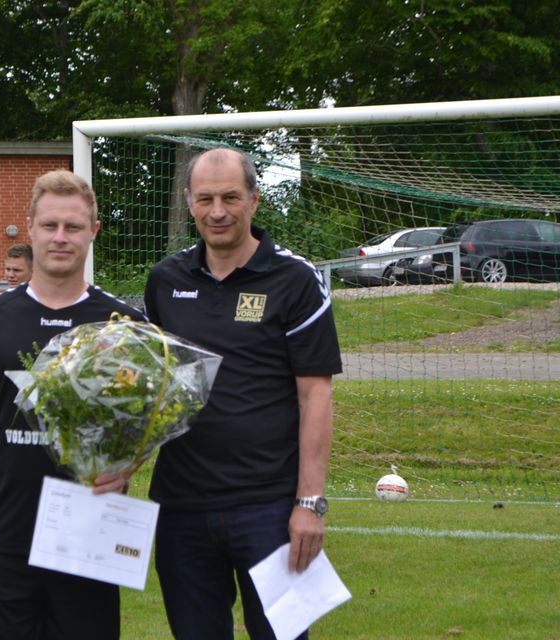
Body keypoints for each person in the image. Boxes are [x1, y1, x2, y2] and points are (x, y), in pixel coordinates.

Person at [142, 148, 342, 640]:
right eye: (205, 198)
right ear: (189, 203)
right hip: (181, 506)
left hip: (269, 508)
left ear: (254, 199)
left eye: (231, 197)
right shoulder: (165, 282)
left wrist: (309, 503)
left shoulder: (295, 279)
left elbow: (315, 396)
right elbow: (149, 388)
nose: (217, 211)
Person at [0, 170, 143, 640]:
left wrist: (129, 465)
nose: (60, 237)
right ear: (29, 229)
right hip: (1, 531)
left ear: (93, 231)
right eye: (50, 226)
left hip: (86, 532)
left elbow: (141, 422)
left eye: (73, 227)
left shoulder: (123, 324)